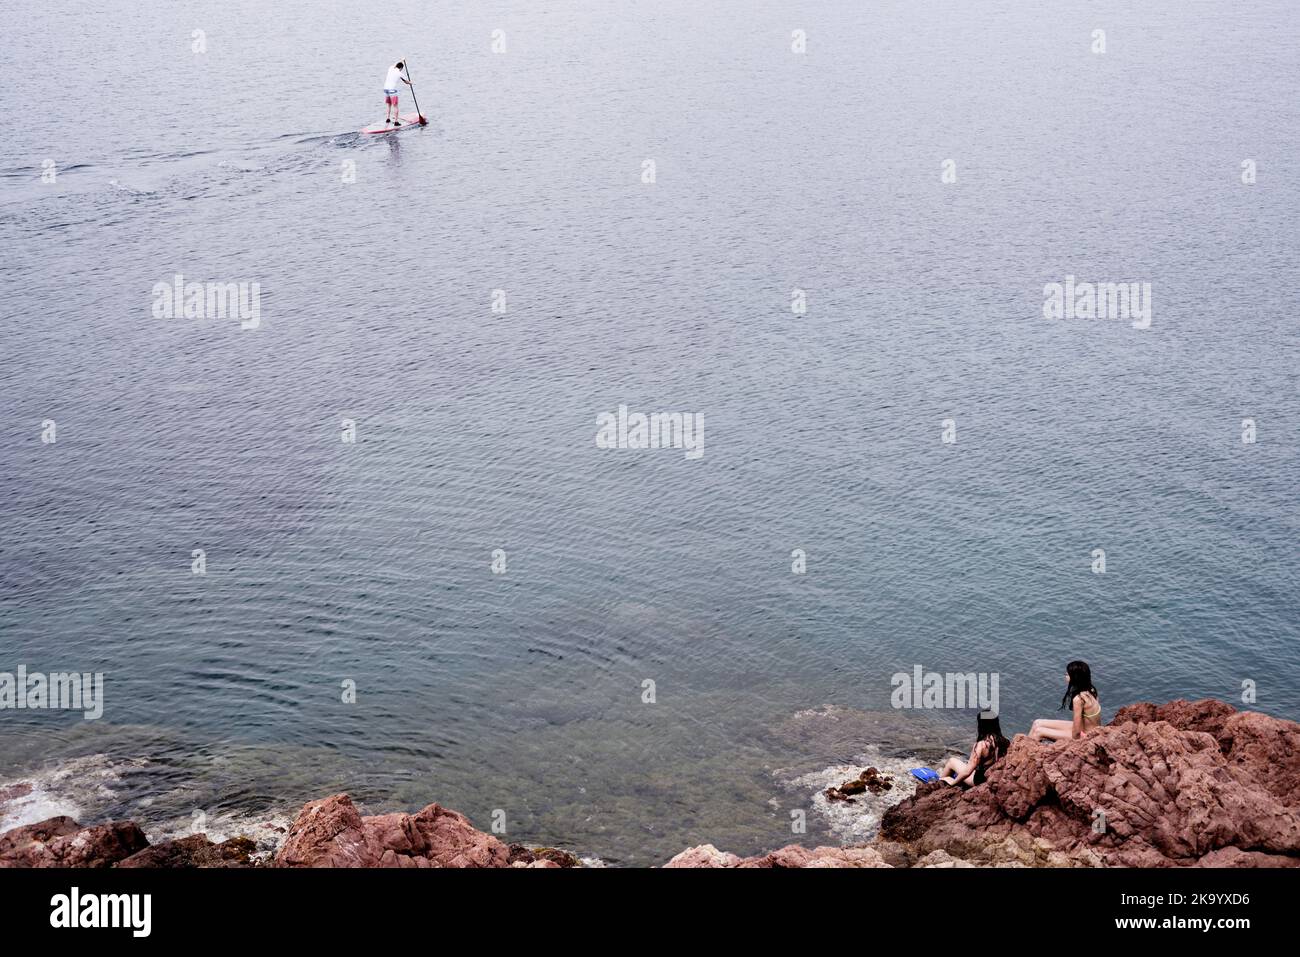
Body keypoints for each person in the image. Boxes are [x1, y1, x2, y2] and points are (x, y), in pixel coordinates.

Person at [1028, 660, 1101, 742]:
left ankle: (1024, 752)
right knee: (1037, 723)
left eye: (1067, 674)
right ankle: (1022, 748)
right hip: (1090, 730)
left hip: (1086, 737)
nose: (1065, 675)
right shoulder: (1092, 690)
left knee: (1038, 732)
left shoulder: (1079, 699)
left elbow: (1076, 734)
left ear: (1075, 677)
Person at [939, 712, 1009, 787]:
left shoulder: (981, 745)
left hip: (978, 781)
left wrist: (953, 783)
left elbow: (967, 772)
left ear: (982, 725)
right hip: (990, 777)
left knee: (951, 761)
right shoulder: (1005, 741)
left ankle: (939, 782)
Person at [383, 60, 411, 126]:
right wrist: (411, 83)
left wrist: (401, 60)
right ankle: (396, 122)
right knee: (395, 106)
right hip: (392, 90)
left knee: (389, 104)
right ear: (401, 68)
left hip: (385, 89)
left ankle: (388, 118)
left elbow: (395, 64)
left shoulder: (391, 68)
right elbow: (406, 82)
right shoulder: (400, 73)